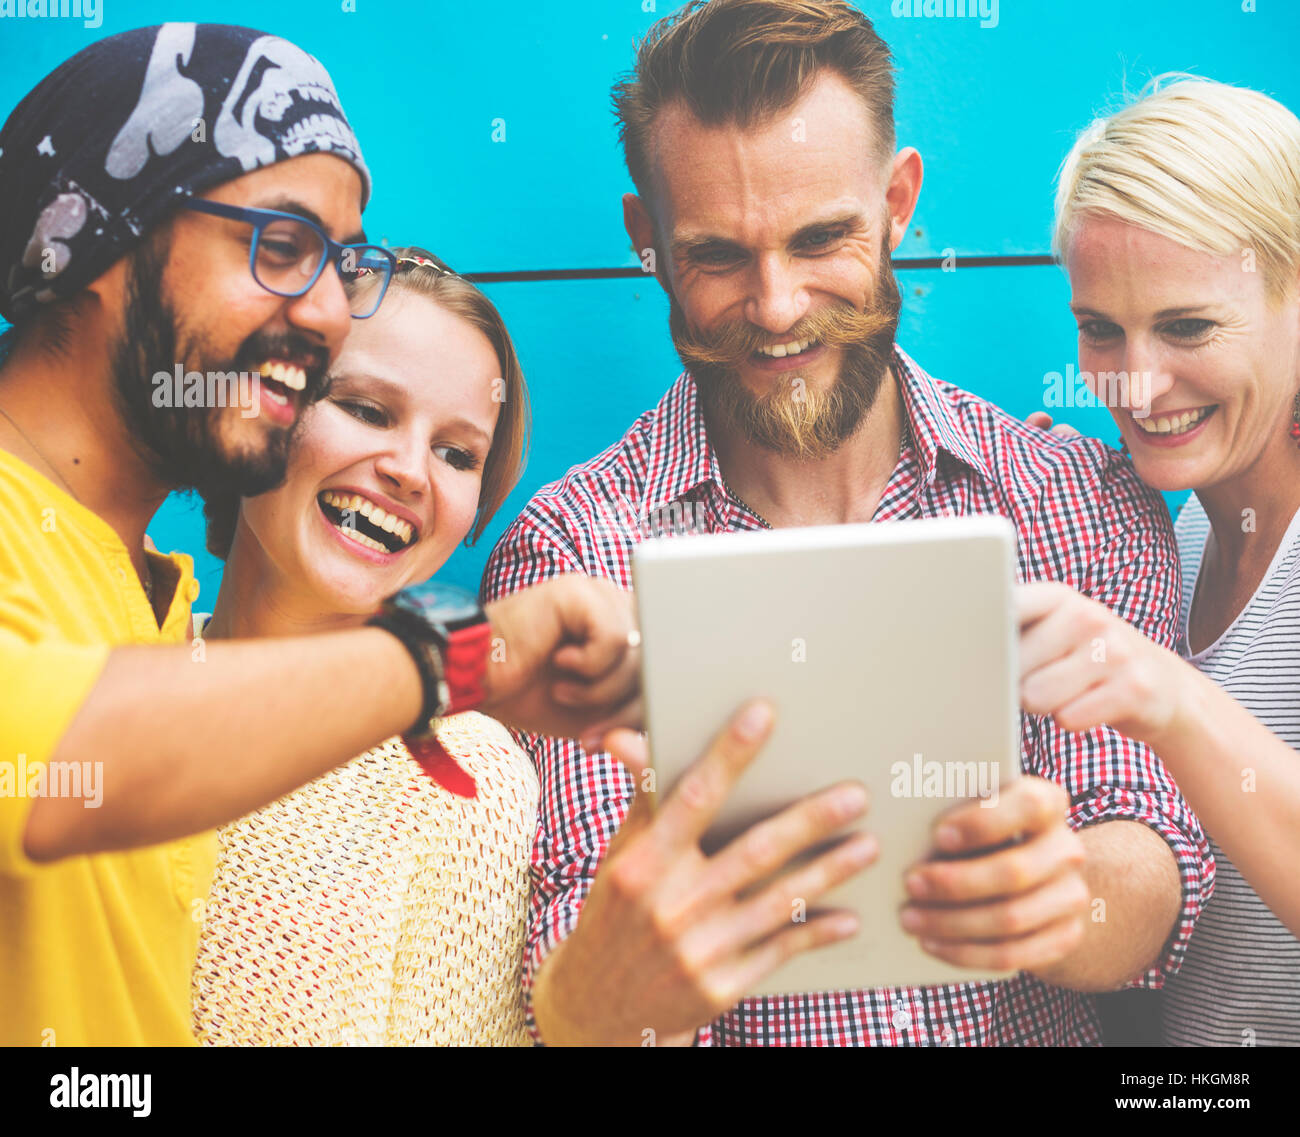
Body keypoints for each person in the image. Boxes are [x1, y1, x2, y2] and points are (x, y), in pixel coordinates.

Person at [481, 0, 1212, 1046]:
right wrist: (622, 965)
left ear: (897, 202)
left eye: (822, 238)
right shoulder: (573, 553)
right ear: (647, 240)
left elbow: (1150, 867)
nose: (776, 307)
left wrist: (1057, 893)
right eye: (718, 256)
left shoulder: (1077, 501)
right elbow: (574, 967)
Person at [0, 25, 637, 1047]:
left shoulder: (144, 594)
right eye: (283, 247)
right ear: (107, 238)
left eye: (344, 267)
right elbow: (48, 763)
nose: (334, 313)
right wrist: (465, 653)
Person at [190, 250, 539, 1045]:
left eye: (458, 454)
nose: (410, 470)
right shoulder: (102, 666)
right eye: (367, 409)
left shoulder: (468, 785)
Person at [1021, 76, 1300, 1046]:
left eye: (1187, 327)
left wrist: (1166, 695)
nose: (1135, 381)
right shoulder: (1160, 549)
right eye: (1100, 329)